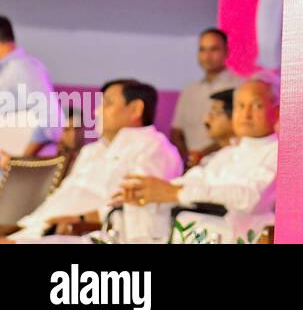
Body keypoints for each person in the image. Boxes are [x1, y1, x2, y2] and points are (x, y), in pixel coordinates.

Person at [4, 79, 180, 241]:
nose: (96, 112)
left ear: (135, 109)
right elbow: (59, 200)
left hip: (81, 234)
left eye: (107, 104)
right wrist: (21, 229)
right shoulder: (91, 151)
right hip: (36, 231)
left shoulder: (153, 149)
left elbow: (136, 209)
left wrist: (80, 220)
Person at [121, 79, 278, 242]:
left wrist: (178, 193)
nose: (246, 114)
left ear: (277, 112)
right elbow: (194, 179)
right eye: (240, 106)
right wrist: (146, 190)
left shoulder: (279, 154)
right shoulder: (227, 154)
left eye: (257, 106)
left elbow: (250, 198)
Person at [170, 27, 239, 164]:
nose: (207, 56)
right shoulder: (189, 91)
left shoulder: (239, 87)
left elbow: (236, 131)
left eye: (214, 49)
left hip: (225, 162)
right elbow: (176, 132)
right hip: (189, 166)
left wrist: (202, 155)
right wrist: (187, 158)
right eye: (202, 49)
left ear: (227, 51)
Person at [0, 15, 59, 157]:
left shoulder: (21, 68)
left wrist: (19, 160)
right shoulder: (9, 70)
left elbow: (51, 120)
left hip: (22, 172)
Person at [187, 88, 235, 169]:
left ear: (235, 117)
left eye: (214, 112)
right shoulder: (211, 159)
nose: (206, 120)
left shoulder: (238, 161)